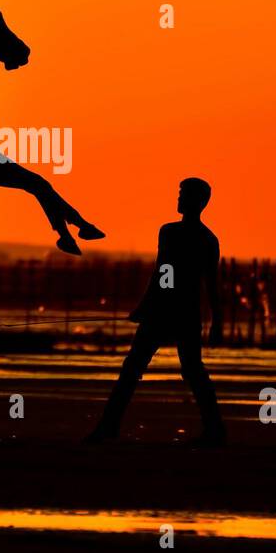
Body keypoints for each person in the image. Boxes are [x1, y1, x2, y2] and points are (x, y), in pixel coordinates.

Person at [87, 178, 226, 446]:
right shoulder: (207, 238)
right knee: (190, 371)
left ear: (199, 201)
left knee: (136, 369)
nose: (178, 199)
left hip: (165, 312)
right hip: (185, 312)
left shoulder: (172, 233)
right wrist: (216, 320)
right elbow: (208, 284)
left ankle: (108, 427)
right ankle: (215, 430)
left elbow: (165, 273)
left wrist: (146, 306)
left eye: (183, 194)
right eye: (179, 193)